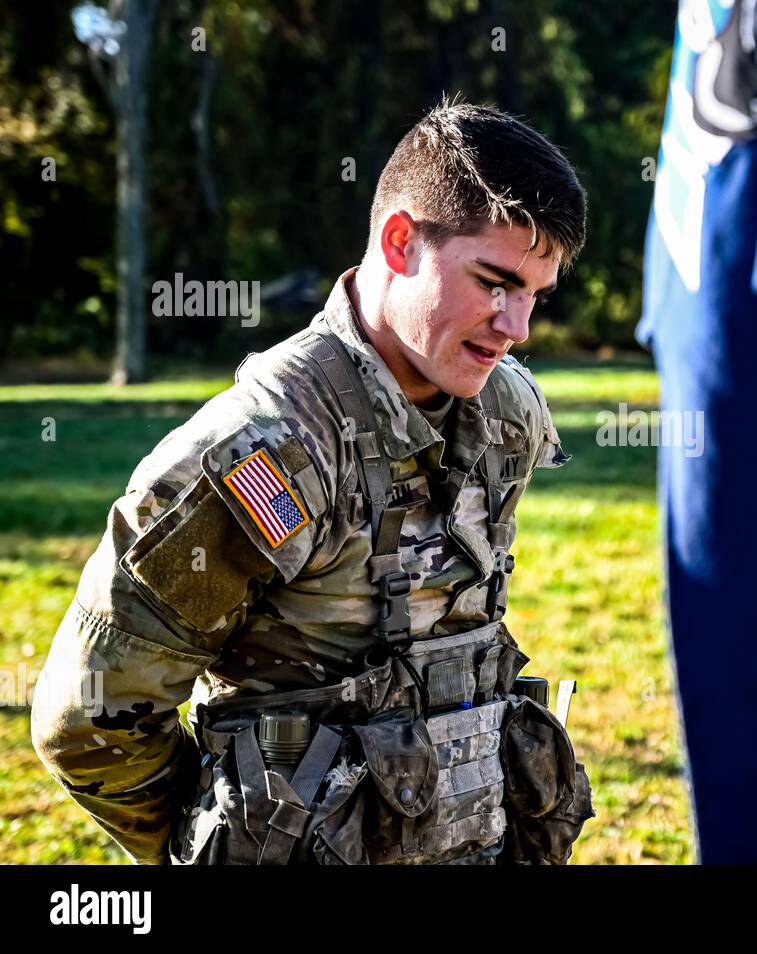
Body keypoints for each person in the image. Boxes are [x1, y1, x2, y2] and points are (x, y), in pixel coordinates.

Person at [31, 100, 594, 865]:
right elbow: (90, 718)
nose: (517, 326)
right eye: (494, 282)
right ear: (400, 241)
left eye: (537, 293)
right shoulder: (265, 448)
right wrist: (219, 843)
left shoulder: (506, 412)